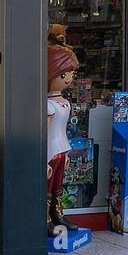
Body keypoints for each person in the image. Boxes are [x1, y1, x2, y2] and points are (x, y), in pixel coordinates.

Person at [47, 43, 80, 236]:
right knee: (48, 186)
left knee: (58, 186)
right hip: (50, 152)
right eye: (63, 75)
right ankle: (46, 218)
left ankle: (57, 214)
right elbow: (44, 132)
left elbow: (62, 130)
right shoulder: (48, 105)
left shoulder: (64, 103)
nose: (68, 78)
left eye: (71, 73)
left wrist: (66, 153)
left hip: (60, 150)